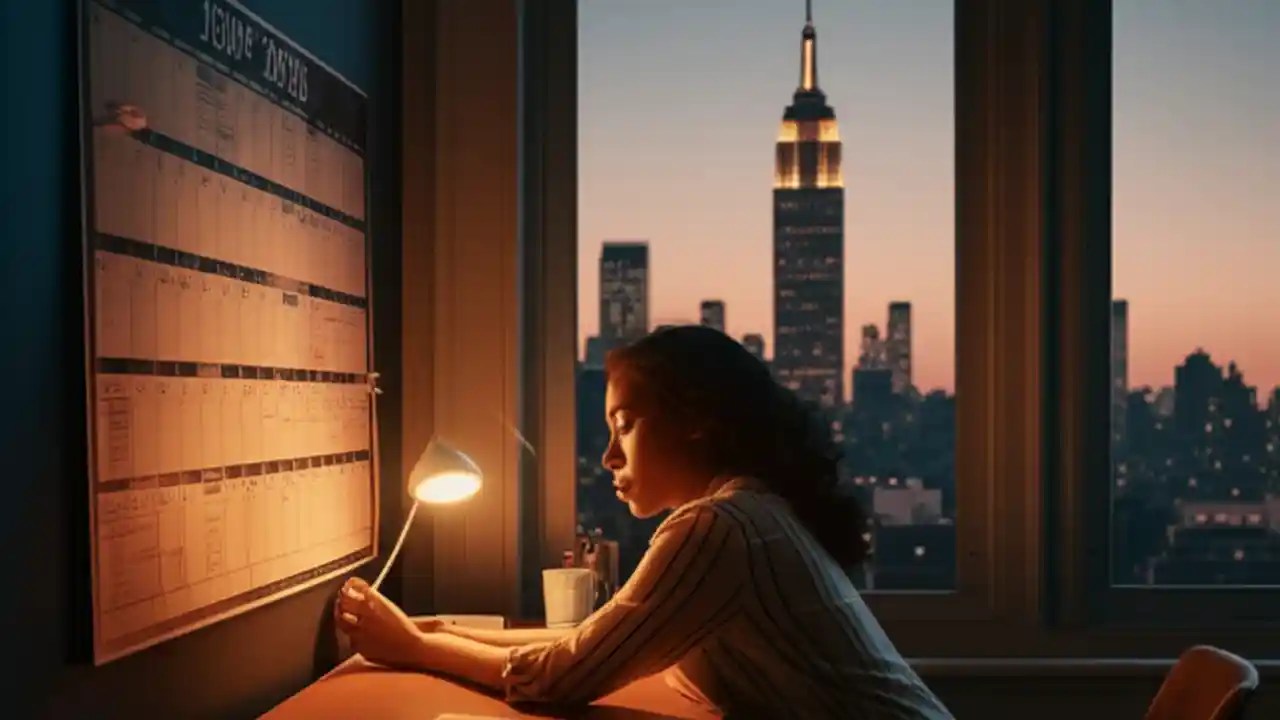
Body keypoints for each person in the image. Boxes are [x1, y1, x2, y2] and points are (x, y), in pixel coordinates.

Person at [337, 325, 954, 718]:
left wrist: (419, 648)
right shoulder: (750, 510)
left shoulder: (719, 527)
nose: (609, 456)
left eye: (624, 425)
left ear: (695, 420)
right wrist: (443, 633)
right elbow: (593, 640)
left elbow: (560, 677)